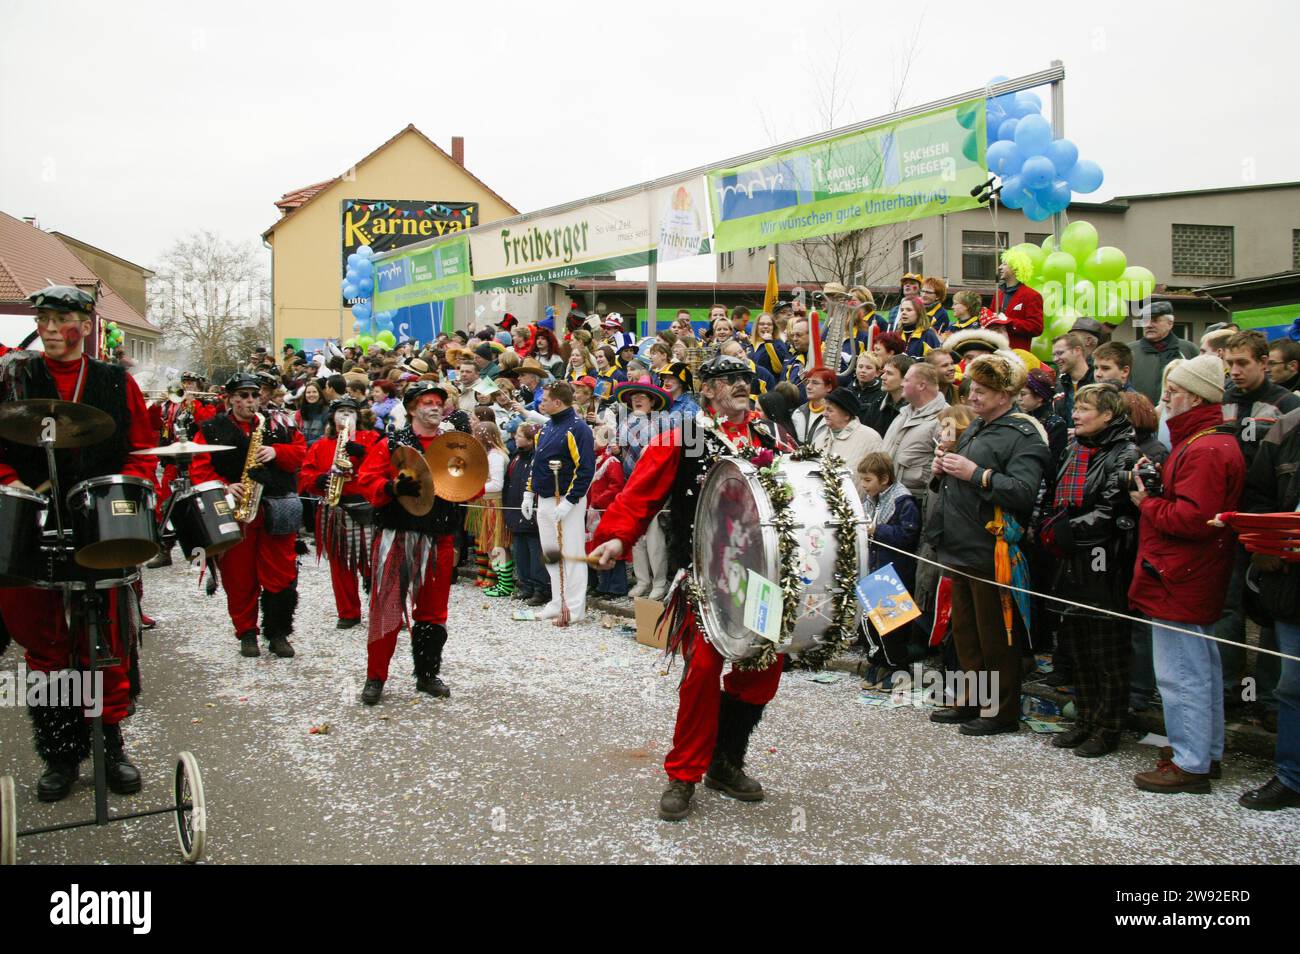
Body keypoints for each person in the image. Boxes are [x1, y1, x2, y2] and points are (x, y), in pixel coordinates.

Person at [589, 354, 792, 822]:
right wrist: (616, 536)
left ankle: (725, 762)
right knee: (702, 671)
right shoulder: (684, 437)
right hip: (705, 577)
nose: (742, 385)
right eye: (729, 380)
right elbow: (639, 494)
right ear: (707, 391)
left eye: (746, 378)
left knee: (763, 673)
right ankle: (684, 773)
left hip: (762, 580)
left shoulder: (773, 437)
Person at [0, 285, 158, 801]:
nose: (49, 327)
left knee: (105, 639)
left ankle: (110, 746)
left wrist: (131, 491)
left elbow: (141, 449)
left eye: (63, 317)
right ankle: (60, 753)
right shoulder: (14, 376)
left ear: (86, 325)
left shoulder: (115, 381)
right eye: (43, 317)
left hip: (98, 524)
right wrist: (10, 480)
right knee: (45, 646)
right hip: (32, 522)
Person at [1128, 354, 1244, 793]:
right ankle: (1202, 752)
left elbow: (1194, 519)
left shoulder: (1207, 447)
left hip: (1180, 574)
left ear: (1194, 395)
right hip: (1184, 572)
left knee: (1180, 673)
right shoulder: (1204, 441)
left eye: (1172, 391)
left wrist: (1148, 503)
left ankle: (1190, 761)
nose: (1165, 399)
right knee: (1199, 667)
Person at [926, 354, 1050, 734]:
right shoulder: (977, 427)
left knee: (996, 635)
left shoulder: (1024, 434)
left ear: (1004, 394)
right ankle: (972, 700)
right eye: (973, 389)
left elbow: (1024, 492)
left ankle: (1000, 712)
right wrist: (940, 471)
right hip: (959, 544)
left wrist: (976, 473)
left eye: (982, 391)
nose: (973, 396)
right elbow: (957, 481)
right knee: (965, 632)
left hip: (991, 549)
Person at [1041, 384, 1141, 758]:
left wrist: (1062, 531)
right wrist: (1052, 526)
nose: (1077, 414)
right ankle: (1084, 720)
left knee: (1106, 654)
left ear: (1108, 415)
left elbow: (1115, 511)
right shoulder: (1075, 448)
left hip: (1106, 565)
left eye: (1085, 409)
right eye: (1077, 408)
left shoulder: (1125, 453)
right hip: (1071, 562)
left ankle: (1108, 727)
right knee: (1079, 648)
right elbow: (1056, 496)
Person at [355, 382, 470, 705]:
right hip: (397, 534)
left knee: (433, 613)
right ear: (411, 409)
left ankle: (427, 674)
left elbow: (471, 485)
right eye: (427, 402)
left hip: (440, 536)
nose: (435, 407)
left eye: (438, 402)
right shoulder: (391, 443)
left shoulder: (454, 446)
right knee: (386, 608)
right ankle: (375, 677)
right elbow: (367, 481)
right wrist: (391, 488)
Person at [1215, 330, 1300, 726]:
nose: (1235, 372)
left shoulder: (1285, 405)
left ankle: (1269, 698)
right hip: (1229, 520)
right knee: (1229, 606)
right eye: (1229, 364)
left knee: (1269, 611)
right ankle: (1231, 690)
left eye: (1242, 363)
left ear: (1265, 362)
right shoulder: (1224, 400)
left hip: (1270, 523)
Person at [191, 372, 307, 659]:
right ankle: (246, 632)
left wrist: (277, 452)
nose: (250, 401)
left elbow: (301, 453)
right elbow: (199, 469)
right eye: (243, 396)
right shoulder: (210, 428)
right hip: (236, 511)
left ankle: (278, 632)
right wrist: (225, 486)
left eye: (255, 396)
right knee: (239, 576)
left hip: (275, 508)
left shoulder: (279, 423)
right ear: (230, 399)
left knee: (281, 573)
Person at [1235, 405, 1300, 809]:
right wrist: (1264, 543)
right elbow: (1256, 495)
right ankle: (1291, 777)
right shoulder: (1289, 426)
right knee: (1293, 686)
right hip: (1293, 581)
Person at [298, 397, 382, 628]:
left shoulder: (372, 439)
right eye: (340, 411)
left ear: (358, 416)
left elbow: (387, 466)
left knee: (375, 563)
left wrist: (364, 452)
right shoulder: (320, 445)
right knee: (340, 563)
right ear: (332, 418)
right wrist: (318, 479)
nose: (345, 416)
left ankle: (384, 609)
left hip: (364, 507)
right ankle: (348, 612)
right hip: (334, 508)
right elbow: (305, 475)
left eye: (350, 412)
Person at [521, 381, 596, 625]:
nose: (540, 403)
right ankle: (557, 600)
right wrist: (529, 492)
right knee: (550, 553)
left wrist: (571, 501)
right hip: (545, 497)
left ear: (557, 402)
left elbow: (586, 468)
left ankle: (574, 608)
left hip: (566, 499)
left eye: (544, 400)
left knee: (571, 553)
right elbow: (538, 463)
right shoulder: (546, 428)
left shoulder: (579, 429)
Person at [857, 451, 922, 686]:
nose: (863, 486)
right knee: (873, 624)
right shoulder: (871, 499)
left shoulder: (903, 501)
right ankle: (880, 663)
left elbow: (908, 535)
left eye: (868, 480)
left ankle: (898, 668)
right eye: (862, 480)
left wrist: (877, 530)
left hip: (895, 573)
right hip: (876, 570)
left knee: (893, 627)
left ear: (884, 479)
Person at [615, 381, 672, 600]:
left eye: (643, 397)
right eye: (634, 397)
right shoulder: (625, 423)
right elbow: (620, 452)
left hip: (654, 484)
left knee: (654, 535)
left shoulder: (662, 422)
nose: (637, 400)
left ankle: (659, 582)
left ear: (653, 401)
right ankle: (642, 580)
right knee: (636, 536)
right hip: (630, 484)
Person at [881, 363, 948, 498]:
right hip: (890, 497)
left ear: (921, 386)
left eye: (906, 380)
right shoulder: (904, 413)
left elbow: (947, 466)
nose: (902, 384)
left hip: (916, 503)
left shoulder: (948, 418)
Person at [1129, 302, 1199, 405]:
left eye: (1155, 321)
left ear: (1170, 324)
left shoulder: (1188, 349)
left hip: (1178, 415)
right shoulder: (1129, 350)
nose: (1148, 325)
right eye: (1145, 321)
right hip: (1139, 416)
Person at [813, 387, 884, 476]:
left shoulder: (870, 438)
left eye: (830, 410)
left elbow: (878, 476)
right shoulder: (820, 437)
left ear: (846, 415)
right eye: (825, 409)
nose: (824, 414)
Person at [987, 249, 1044, 352]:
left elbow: (1036, 327)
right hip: (995, 351)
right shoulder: (998, 294)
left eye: (1004, 264)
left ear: (1016, 267)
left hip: (1017, 354)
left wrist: (1009, 322)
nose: (999, 267)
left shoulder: (1032, 296)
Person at [1051, 332, 1094, 423]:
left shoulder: (1097, 381)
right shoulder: (1059, 386)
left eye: (1060, 353)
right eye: (1053, 355)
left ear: (1077, 350)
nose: (1055, 359)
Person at [790, 367, 836, 446]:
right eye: (807, 382)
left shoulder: (836, 415)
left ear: (829, 387)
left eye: (815, 383)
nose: (808, 386)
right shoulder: (798, 412)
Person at [873, 355, 913, 436]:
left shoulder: (914, 411)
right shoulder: (877, 403)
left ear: (905, 379)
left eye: (889, 373)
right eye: (884, 372)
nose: (882, 377)